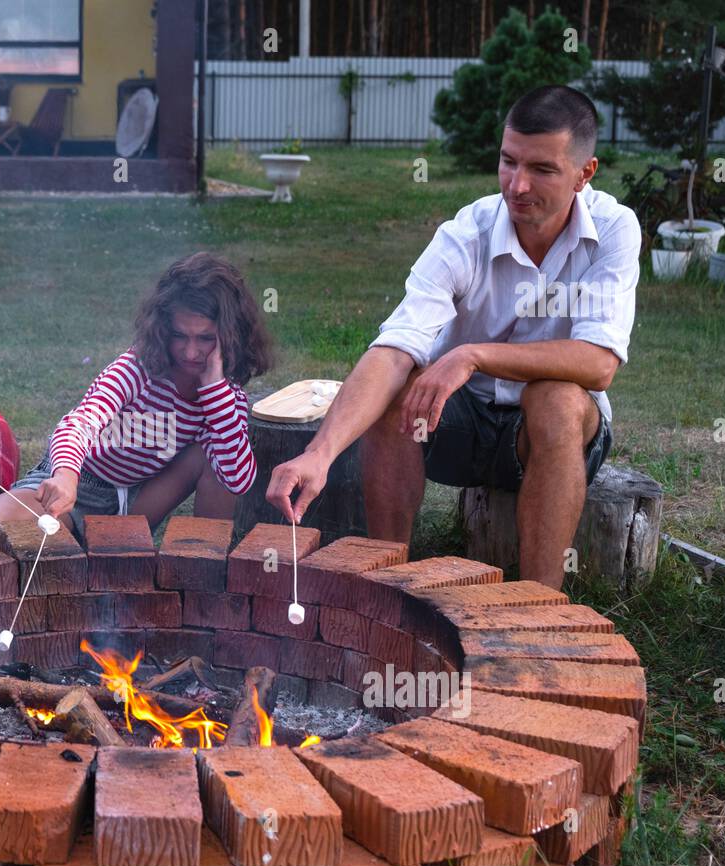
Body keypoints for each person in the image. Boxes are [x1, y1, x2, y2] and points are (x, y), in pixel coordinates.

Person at [267, 85, 639, 589]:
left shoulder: (614, 229)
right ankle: (388, 583)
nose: (518, 185)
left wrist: (472, 355)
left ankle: (540, 604)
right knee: (401, 387)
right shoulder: (466, 233)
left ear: (584, 173)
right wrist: (320, 453)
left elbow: (599, 363)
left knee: (555, 398)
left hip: (556, 439)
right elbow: (395, 348)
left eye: (542, 169)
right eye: (508, 162)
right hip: (459, 428)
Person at [0, 253, 275, 545]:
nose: (191, 352)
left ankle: (204, 565)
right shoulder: (137, 368)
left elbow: (237, 480)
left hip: (138, 499)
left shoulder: (225, 397)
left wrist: (214, 391)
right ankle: (76, 546)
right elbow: (80, 424)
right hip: (78, 484)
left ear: (230, 336)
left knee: (216, 453)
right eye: (180, 335)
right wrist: (66, 475)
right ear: (164, 328)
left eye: (206, 338)